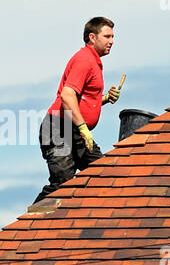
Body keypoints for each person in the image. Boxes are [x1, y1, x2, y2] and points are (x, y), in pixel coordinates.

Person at [33, 17, 122, 204]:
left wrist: (104, 98)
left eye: (113, 36)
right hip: (58, 127)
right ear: (92, 37)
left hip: (72, 129)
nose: (112, 41)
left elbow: (81, 99)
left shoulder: (94, 62)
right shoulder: (84, 59)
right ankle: (30, 226)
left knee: (101, 174)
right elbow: (67, 96)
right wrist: (83, 128)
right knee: (62, 182)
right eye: (107, 36)